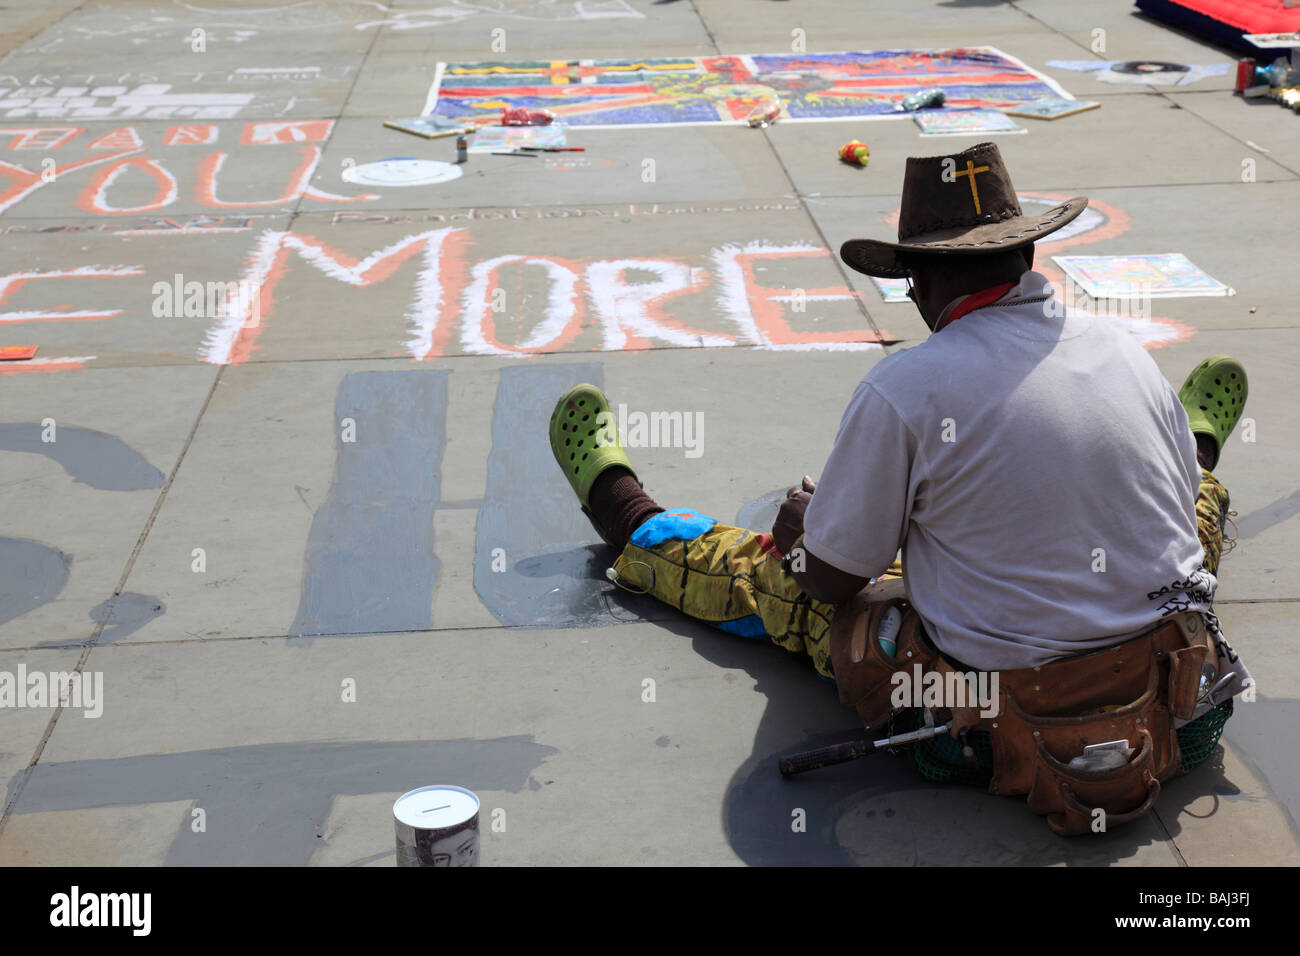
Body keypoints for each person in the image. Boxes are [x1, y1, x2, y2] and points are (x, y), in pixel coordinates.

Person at [548, 142, 1251, 803]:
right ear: (1029, 254)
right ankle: (1199, 444)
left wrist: (805, 539)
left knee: (776, 584)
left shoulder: (908, 388)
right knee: (1189, 500)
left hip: (993, 724)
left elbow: (831, 580)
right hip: (1172, 705)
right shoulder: (1122, 347)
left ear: (916, 281)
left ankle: (628, 515)